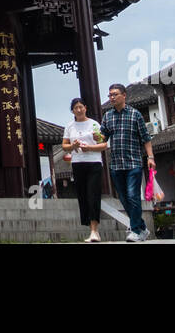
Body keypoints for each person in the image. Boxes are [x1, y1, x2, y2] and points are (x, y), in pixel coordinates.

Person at [100, 83, 155, 242]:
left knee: (132, 196)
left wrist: (150, 157)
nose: (112, 97)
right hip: (116, 164)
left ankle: (136, 230)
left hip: (133, 163)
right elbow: (103, 138)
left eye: (115, 94)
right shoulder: (107, 116)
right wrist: (92, 139)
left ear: (124, 95)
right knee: (124, 199)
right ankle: (142, 228)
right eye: (110, 95)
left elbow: (146, 138)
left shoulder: (135, 114)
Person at [62, 97, 107, 242]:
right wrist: (73, 146)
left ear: (85, 108)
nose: (79, 110)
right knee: (82, 196)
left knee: (93, 194)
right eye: (76, 108)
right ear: (72, 111)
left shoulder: (94, 124)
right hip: (78, 162)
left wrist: (91, 145)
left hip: (93, 162)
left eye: (81, 107)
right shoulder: (70, 126)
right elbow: (64, 146)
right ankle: (90, 228)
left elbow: (103, 144)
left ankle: (95, 230)